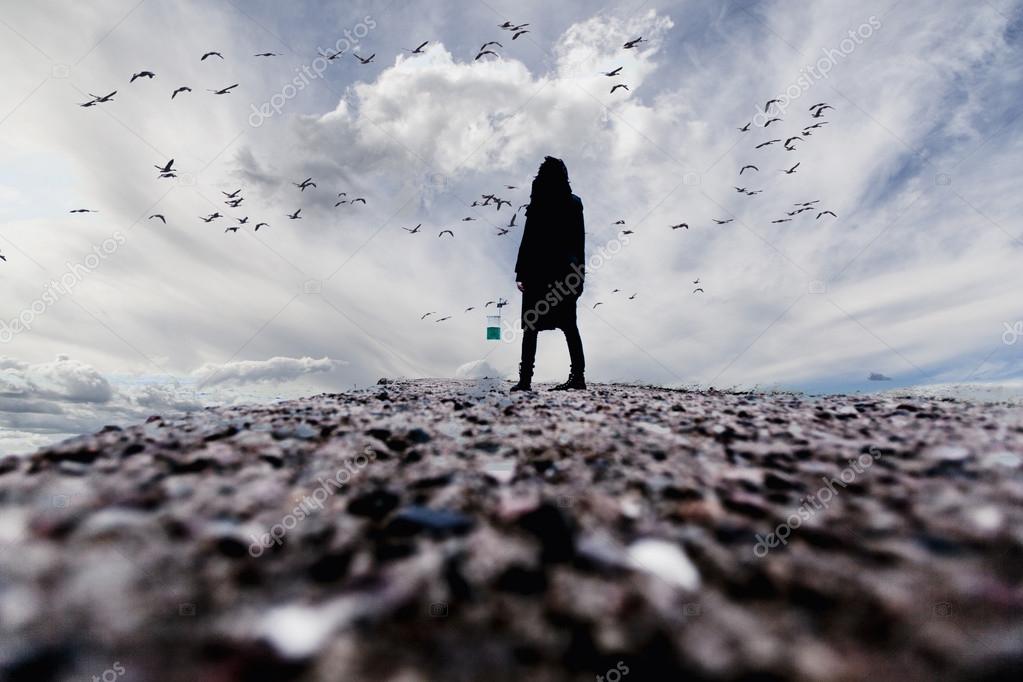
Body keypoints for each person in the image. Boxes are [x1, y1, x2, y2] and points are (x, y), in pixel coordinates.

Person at [511, 156, 586, 392]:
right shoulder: (574, 203)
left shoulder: (538, 202)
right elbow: (579, 242)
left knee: (531, 327)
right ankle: (578, 377)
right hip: (565, 271)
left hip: (538, 271)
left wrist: (521, 272)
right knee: (569, 325)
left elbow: (528, 240)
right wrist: (580, 274)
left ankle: (525, 381)